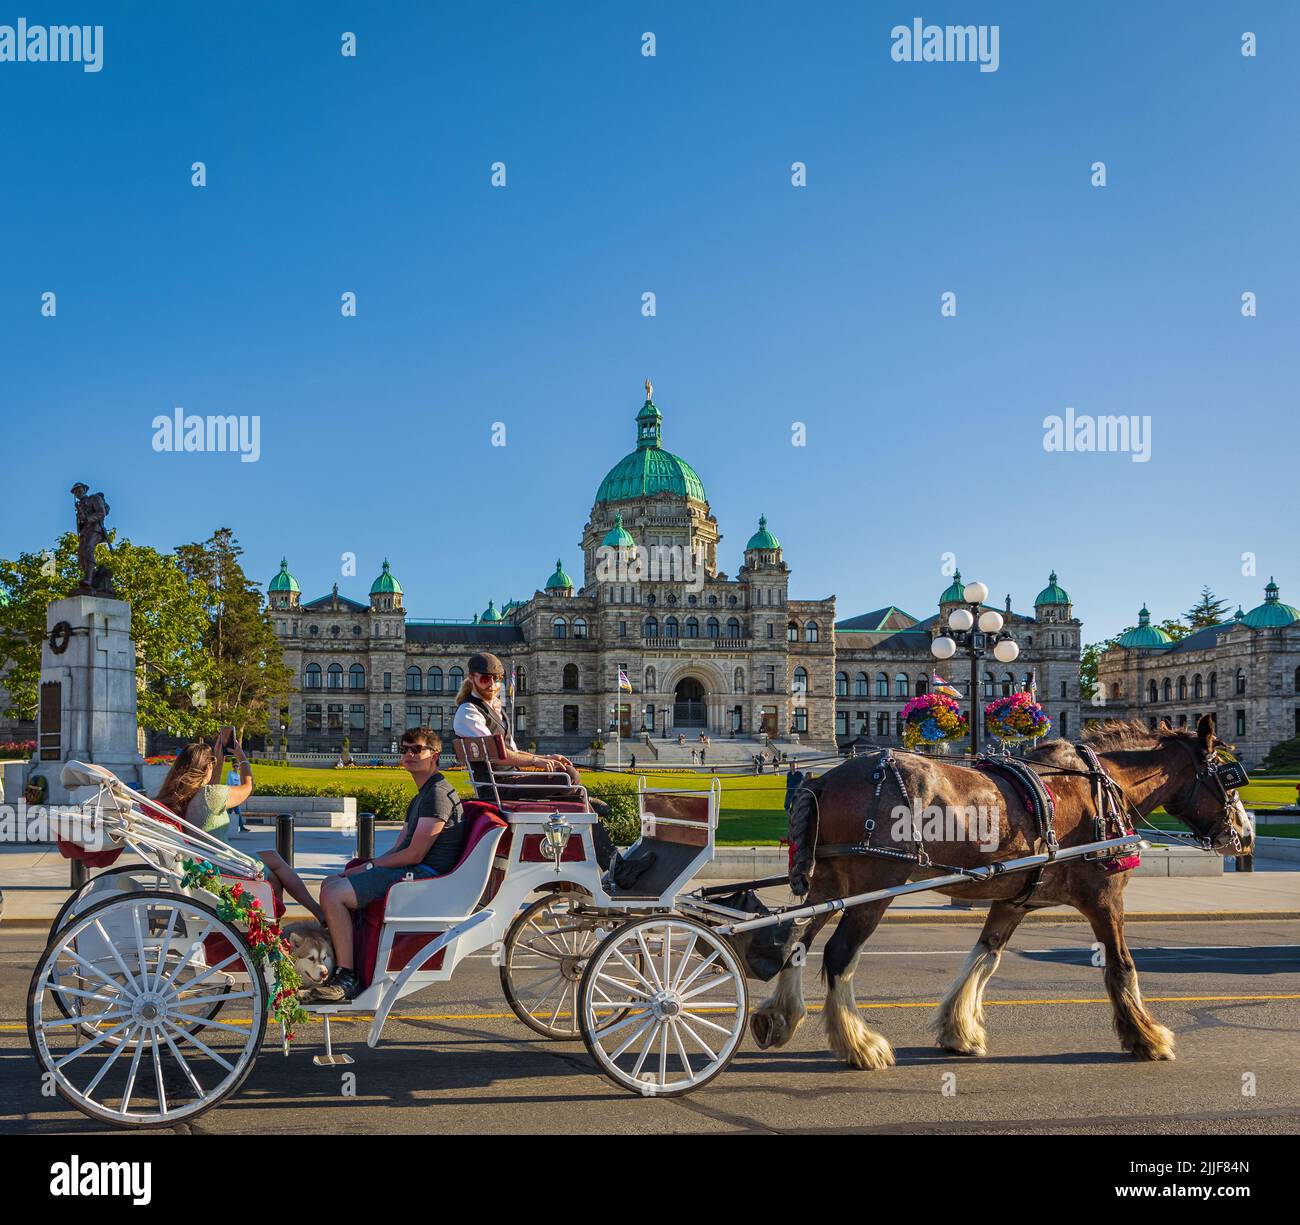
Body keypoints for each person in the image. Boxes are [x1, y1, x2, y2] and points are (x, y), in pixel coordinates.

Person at [309, 727, 465, 1003]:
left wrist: (370, 868)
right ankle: (338, 957)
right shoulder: (421, 796)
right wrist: (368, 865)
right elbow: (399, 848)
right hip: (409, 870)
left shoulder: (438, 794)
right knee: (330, 883)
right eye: (404, 749)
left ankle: (348, 978)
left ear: (435, 755)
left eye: (416, 749)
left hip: (424, 877)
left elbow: (415, 854)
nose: (408, 754)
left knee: (334, 894)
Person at [153, 729, 323, 922]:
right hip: (222, 867)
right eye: (212, 765)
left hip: (207, 863)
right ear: (206, 768)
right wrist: (241, 756)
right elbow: (247, 788)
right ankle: (311, 913)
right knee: (274, 876)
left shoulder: (184, 797)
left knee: (273, 857)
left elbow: (213, 786)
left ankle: (315, 911)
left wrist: (218, 755)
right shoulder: (210, 796)